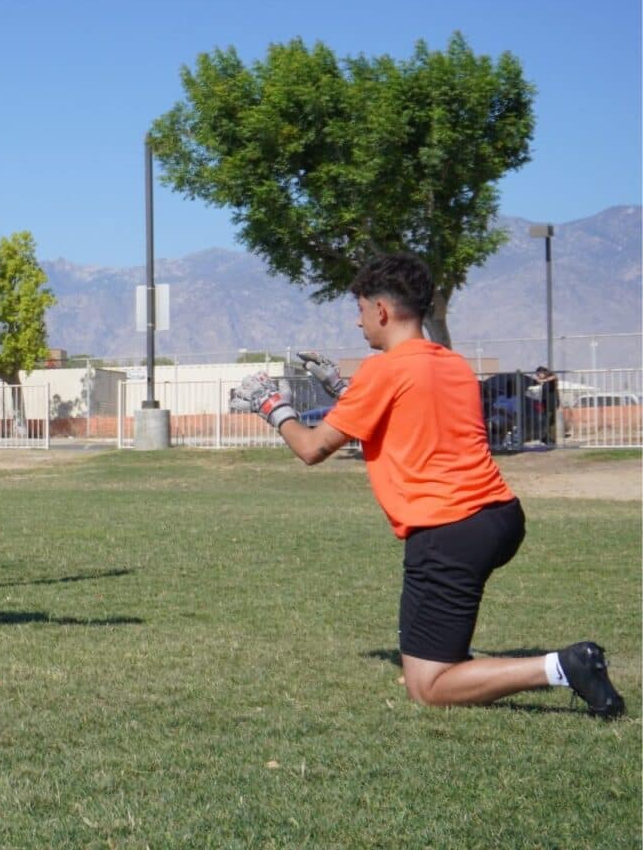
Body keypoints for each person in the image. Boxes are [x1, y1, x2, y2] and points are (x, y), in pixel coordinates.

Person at [229, 253, 624, 717]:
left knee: (428, 688)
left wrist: (274, 407)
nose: (358, 325)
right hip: (498, 516)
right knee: (437, 657)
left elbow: (313, 448)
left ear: (381, 310)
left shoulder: (383, 371)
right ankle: (458, 663)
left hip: (449, 530)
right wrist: (343, 388)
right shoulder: (451, 364)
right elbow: (409, 412)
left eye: (359, 311)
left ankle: (564, 666)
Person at [533, 366, 560, 445]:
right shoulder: (545, 381)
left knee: (549, 422)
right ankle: (547, 439)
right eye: (537, 374)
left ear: (544, 372)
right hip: (545, 403)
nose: (538, 376)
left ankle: (549, 439)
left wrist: (543, 380)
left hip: (551, 403)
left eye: (539, 374)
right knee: (548, 421)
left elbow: (554, 377)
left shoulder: (550, 379)